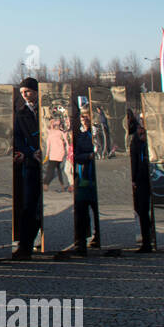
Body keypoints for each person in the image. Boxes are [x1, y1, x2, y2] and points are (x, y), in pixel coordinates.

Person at [12, 77, 42, 260]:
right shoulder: (20, 113)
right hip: (31, 164)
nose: (25, 95)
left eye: (28, 92)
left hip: (51, 162)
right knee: (29, 205)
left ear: (36, 91)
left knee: (46, 205)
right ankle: (25, 246)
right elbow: (17, 138)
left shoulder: (47, 109)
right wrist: (31, 153)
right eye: (22, 93)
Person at [66, 108, 98, 255]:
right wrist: (89, 156)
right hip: (84, 176)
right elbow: (75, 156)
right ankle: (81, 242)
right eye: (82, 116)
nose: (84, 118)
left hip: (99, 177)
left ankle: (99, 238)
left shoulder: (99, 133)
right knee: (81, 211)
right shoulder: (80, 136)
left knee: (100, 211)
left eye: (87, 115)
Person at [128, 110, 154, 253]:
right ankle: (147, 237)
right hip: (140, 178)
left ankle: (149, 239)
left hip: (153, 175)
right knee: (141, 209)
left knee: (151, 208)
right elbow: (134, 159)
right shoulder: (136, 138)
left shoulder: (151, 136)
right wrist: (133, 178)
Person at [42, 117, 69, 191]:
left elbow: (48, 145)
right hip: (59, 153)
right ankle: (62, 186)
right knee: (58, 170)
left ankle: (45, 184)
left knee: (51, 170)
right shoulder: (59, 132)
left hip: (55, 154)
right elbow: (66, 142)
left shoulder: (53, 133)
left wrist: (47, 155)